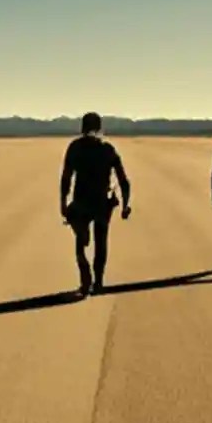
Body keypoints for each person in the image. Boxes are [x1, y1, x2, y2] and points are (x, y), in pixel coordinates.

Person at [60, 112, 132, 296]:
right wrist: (125, 204)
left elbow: (66, 178)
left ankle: (85, 279)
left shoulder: (75, 148)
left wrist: (63, 202)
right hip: (102, 202)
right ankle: (98, 282)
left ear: (82, 127)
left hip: (82, 202)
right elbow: (123, 180)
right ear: (99, 127)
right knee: (101, 242)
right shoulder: (107, 149)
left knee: (80, 243)